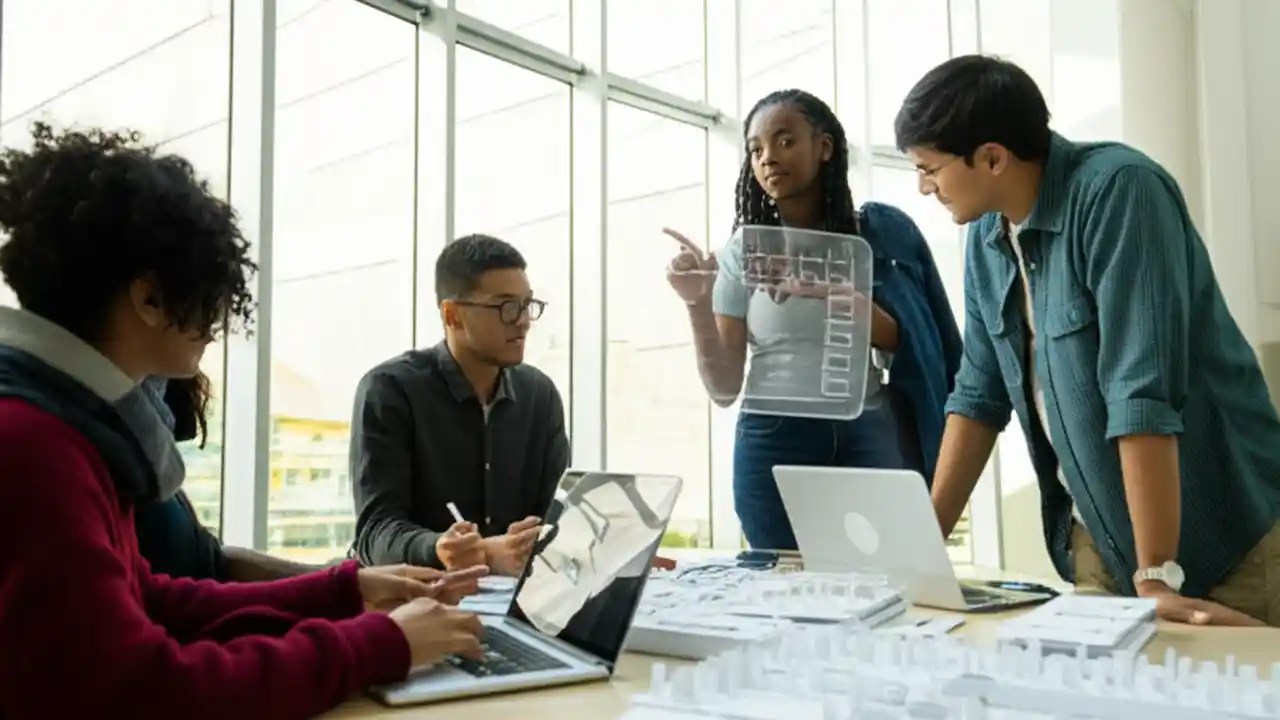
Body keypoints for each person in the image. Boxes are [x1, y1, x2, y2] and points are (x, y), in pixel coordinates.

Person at [0, 122, 486, 717]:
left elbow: (150, 598)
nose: (217, 324)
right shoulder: (35, 447)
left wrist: (343, 590)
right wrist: (383, 643)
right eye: (208, 294)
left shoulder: (66, 423)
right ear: (150, 299)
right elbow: (141, 689)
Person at [894, 55, 1280, 626]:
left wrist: (1156, 574)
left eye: (930, 169)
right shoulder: (985, 238)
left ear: (992, 157)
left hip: (1228, 539)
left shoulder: (1119, 192)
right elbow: (977, 397)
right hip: (1101, 544)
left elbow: (1140, 391)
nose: (925, 187)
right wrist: (918, 558)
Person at [664, 89, 962, 550]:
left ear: (824, 147)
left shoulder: (877, 237)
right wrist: (696, 302)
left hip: (866, 425)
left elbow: (910, 342)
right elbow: (723, 388)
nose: (768, 158)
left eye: (785, 141)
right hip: (772, 436)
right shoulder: (745, 251)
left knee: (894, 569)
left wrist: (836, 295)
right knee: (778, 583)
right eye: (756, 149)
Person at [352, 234, 570, 576]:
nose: (524, 321)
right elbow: (374, 534)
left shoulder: (539, 395)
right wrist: (445, 548)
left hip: (517, 605)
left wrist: (545, 538)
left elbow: (557, 520)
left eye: (527, 305)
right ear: (452, 315)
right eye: (506, 307)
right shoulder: (391, 390)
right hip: (417, 602)